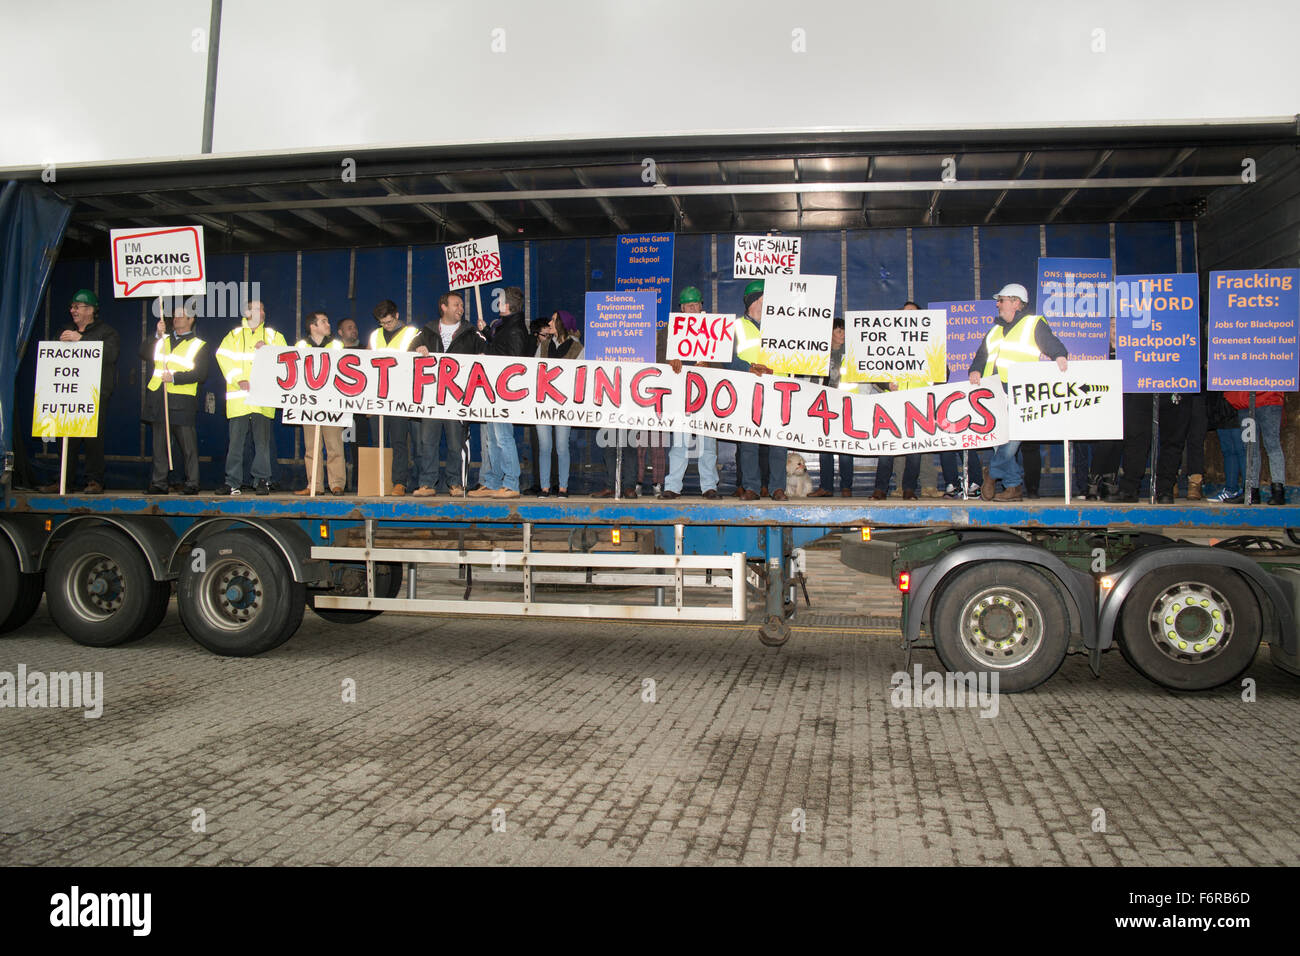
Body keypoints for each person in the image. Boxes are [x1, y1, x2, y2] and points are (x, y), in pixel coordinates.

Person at [969, 283, 1068, 501]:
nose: (997, 304)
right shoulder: (994, 329)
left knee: (1012, 440)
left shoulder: (1033, 324)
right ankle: (1013, 486)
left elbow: (1050, 342)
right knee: (998, 441)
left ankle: (991, 473)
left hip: (1019, 391)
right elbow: (981, 355)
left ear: (1016, 302)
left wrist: (1059, 355)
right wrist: (975, 370)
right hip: (993, 391)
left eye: (1001, 300)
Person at [40, 289, 120, 493]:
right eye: (72, 307)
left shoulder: (106, 332)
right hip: (68, 393)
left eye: (77, 306)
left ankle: (95, 480)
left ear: (91, 309)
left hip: (94, 394)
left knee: (93, 439)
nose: (73, 310)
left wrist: (81, 340)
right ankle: (63, 480)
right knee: (66, 438)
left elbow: (110, 354)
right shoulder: (64, 331)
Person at [215, 300, 285, 496]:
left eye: (262, 308)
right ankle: (232, 482)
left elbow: (286, 360)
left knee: (262, 443)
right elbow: (223, 358)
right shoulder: (233, 335)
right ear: (246, 312)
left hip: (262, 398)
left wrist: (268, 350)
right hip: (239, 399)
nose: (259, 312)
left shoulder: (273, 336)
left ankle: (262, 480)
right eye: (255, 308)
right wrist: (239, 379)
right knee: (236, 443)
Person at [412, 292, 479, 497]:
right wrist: (417, 349)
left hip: (457, 398)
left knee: (455, 443)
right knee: (427, 442)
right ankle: (427, 483)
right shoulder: (426, 331)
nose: (461, 308)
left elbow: (488, 354)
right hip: (431, 397)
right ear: (443, 307)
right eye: (456, 304)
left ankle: (455, 483)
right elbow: (406, 352)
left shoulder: (472, 333)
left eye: (462, 305)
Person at [469, 286, 531, 498]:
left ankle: (511, 483)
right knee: (494, 439)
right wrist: (487, 332)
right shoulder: (510, 327)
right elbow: (501, 348)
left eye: (500, 301)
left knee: (503, 437)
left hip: (504, 390)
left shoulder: (515, 330)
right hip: (496, 389)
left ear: (506, 306)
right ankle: (493, 482)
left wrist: (486, 352)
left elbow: (511, 360)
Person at [141, 301, 209, 495]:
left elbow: (201, 374)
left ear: (191, 319)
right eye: (175, 315)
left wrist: (175, 377)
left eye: (181, 315)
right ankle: (159, 483)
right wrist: (156, 335)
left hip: (182, 400)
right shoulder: (163, 339)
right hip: (158, 397)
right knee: (159, 444)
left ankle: (192, 482)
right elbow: (143, 352)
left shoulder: (198, 345)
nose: (176, 318)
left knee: (188, 445)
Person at [661, 286, 721, 500]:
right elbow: (658, 356)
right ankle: (673, 486)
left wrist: (710, 364)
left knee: (708, 443)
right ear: (682, 308)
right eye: (687, 305)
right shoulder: (670, 330)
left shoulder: (714, 328)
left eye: (695, 304)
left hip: (707, 394)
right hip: (680, 395)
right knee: (679, 442)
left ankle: (709, 486)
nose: (692, 308)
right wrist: (669, 361)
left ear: (701, 305)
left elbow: (723, 361)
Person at [732, 279, 788, 501]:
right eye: (764, 300)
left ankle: (777, 487)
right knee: (748, 442)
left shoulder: (783, 325)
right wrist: (749, 368)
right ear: (752, 301)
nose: (768, 304)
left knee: (778, 441)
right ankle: (752, 487)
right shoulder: (735, 327)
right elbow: (726, 359)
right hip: (748, 390)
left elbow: (798, 356)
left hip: (778, 389)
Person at [872, 301, 925, 499]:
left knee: (914, 451)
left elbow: (942, 372)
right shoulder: (887, 341)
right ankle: (880, 489)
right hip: (892, 403)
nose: (909, 316)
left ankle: (909, 489)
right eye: (905, 313)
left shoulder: (930, 342)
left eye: (913, 313)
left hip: (918, 403)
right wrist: (886, 385)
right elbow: (873, 370)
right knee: (886, 449)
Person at [368, 299, 420, 495]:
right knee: (378, 440)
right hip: (377, 396)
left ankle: (399, 482)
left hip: (401, 396)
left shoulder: (412, 334)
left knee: (399, 440)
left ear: (397, 316)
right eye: (382, 323)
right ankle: (378, 479)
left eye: (388, 322)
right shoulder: (374, 336)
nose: (385, 326)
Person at [293, 311, 346, 496]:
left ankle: (337, 483)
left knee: (334, 444)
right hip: (309, 402)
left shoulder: (337, 345)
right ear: (312, 326)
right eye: (323, 321)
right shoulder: (300, 345)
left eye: (328, 321)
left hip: (331, 402)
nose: (328, 324)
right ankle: (314, 485)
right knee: (311, 446)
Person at [535, 310, 583, 497]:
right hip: (544, 402)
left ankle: (563, 486)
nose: (550, 321)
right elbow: (535, 369)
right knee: (544, 445)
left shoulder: (578, 348)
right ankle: (544, 487)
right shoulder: (544, 345)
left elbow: (582, 374)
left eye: (554, 319)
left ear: (562, 323)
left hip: (565, 404)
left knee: (562, 446)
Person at [810, 317, 856, 497]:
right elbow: (814, 379)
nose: (842, 334)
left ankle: (846, 487)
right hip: (825, 404)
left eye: (844, 331)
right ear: (829, 334)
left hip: (846, 404)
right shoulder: (820, 354)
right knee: (824, 447)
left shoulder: (852, 353)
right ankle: (826, 487)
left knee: (845, 448)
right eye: (838, 331)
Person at [1226, 390, 1285, 505]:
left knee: (1272, 446)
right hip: (1246, 402)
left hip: (1267, 399)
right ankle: (1252, 491)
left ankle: (1277, 490)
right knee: (1251, 448)